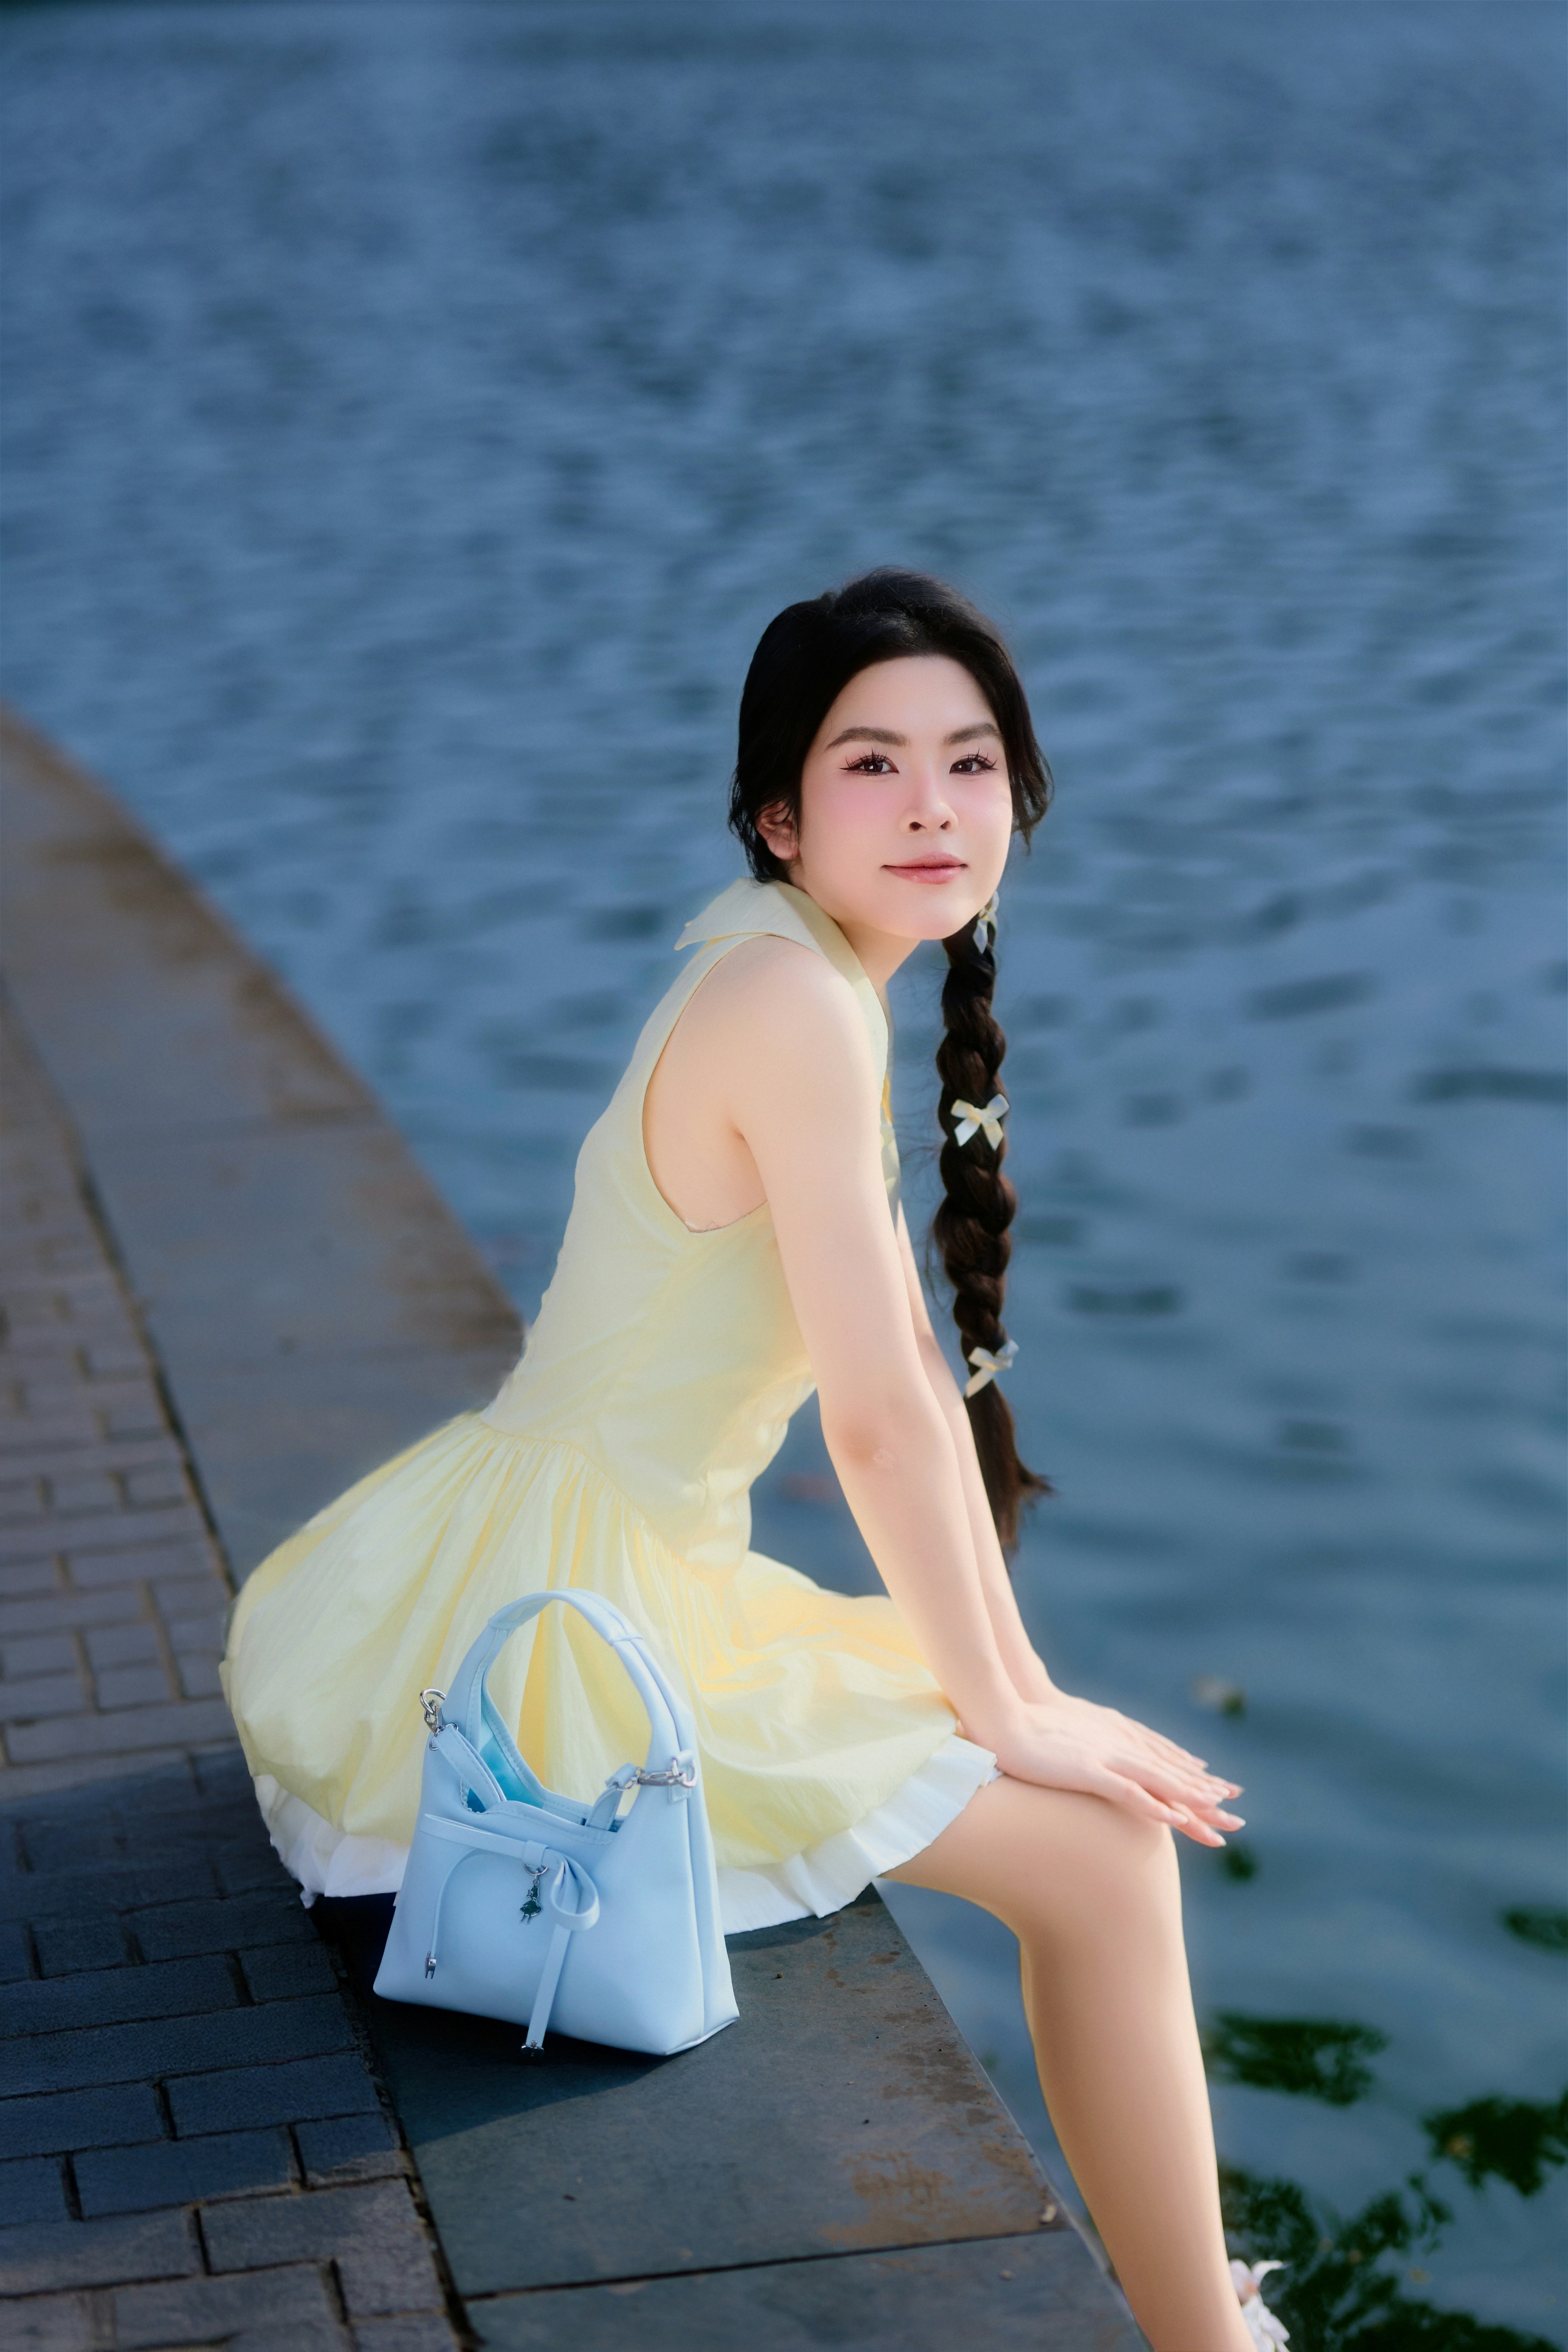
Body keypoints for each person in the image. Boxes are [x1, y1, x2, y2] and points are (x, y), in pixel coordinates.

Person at [224, 568, 1274, 2351]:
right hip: (572, 1623)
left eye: (970, 761)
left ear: (1018, 799)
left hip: (578, 1552)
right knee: (1106, 1862)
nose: (935, 803)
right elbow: (873, 1418)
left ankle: (1191, 2317)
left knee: (1067, 1797)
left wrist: (1008, 1686)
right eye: (872, 765)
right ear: (780, 815)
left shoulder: (785, 973)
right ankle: (1203, 2339)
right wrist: (1010, 1714)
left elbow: (916, 1405)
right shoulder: (794, 1011)